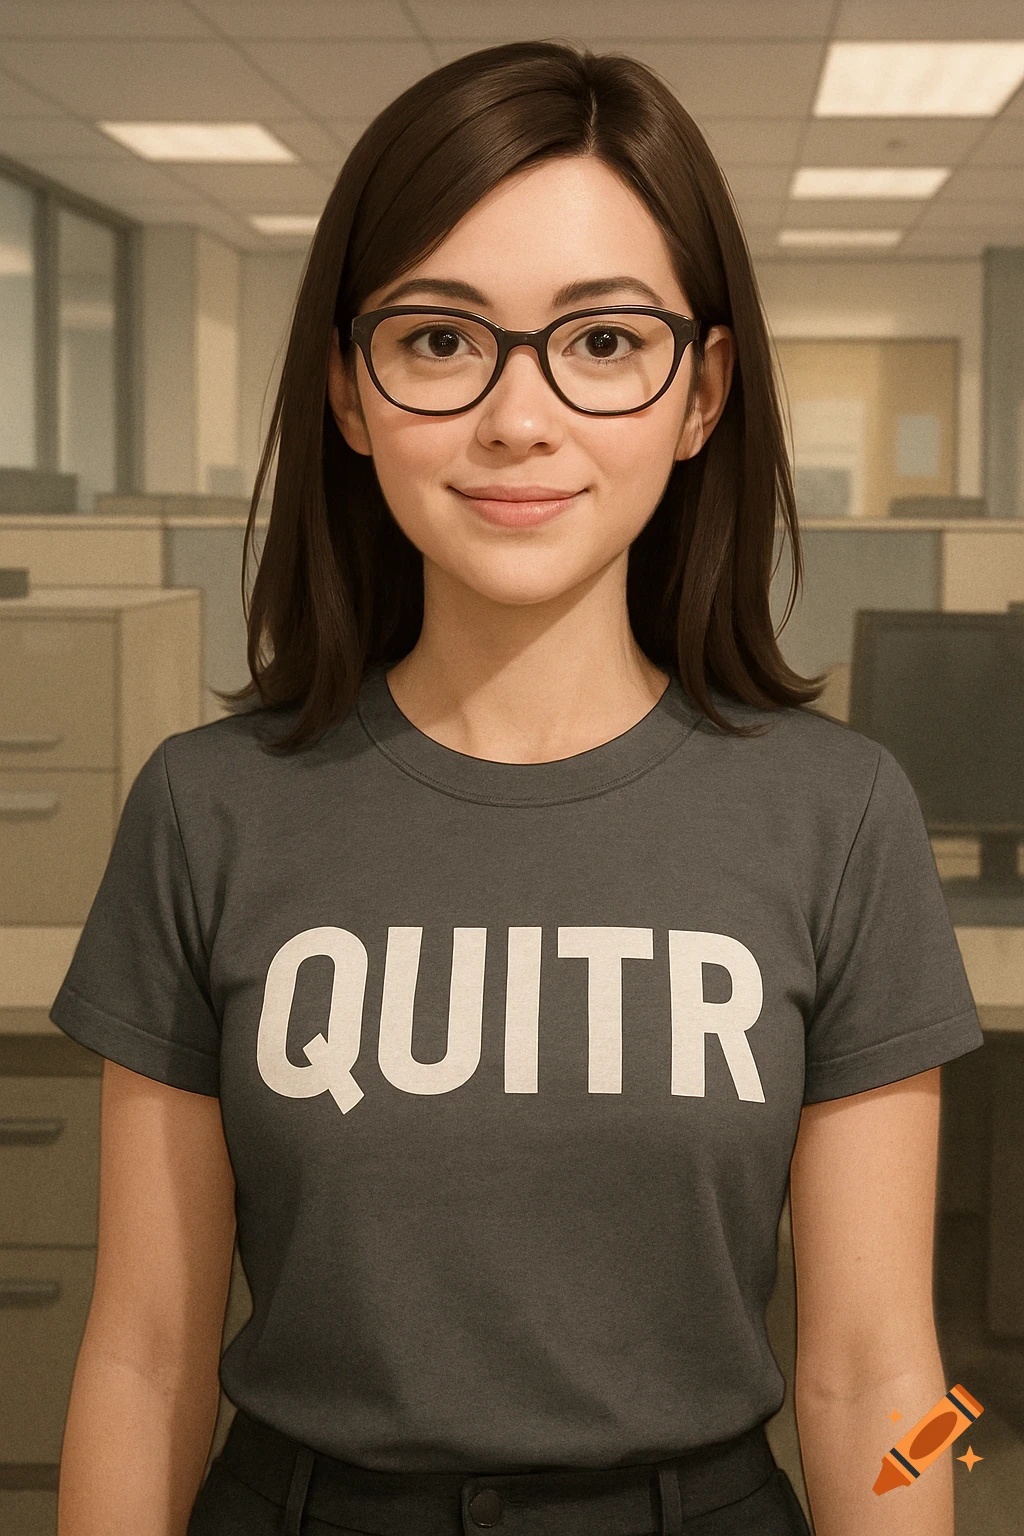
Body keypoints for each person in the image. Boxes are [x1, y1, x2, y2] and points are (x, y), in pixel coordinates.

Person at [51, 39, 982, 1536]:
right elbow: (146, 1361)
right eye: (438, 339)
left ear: (702, 394)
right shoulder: (206, 809)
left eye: (605, 342)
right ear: (350, 392)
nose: (519, 417)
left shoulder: (838, 815)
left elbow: (885, 1381)